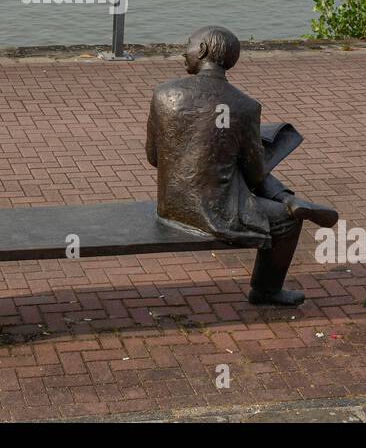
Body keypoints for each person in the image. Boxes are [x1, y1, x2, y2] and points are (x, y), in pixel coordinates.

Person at [145, 26, 338, 305]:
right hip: (210, 211)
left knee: (238, 157)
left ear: (201, 51)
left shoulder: (164, 93)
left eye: (188, 44)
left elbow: (154, 158)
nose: (183, 51)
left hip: (172, 203)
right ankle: (266, 288)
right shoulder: (245, 106)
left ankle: (286, 197)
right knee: (287, 220)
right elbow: (255, 175)